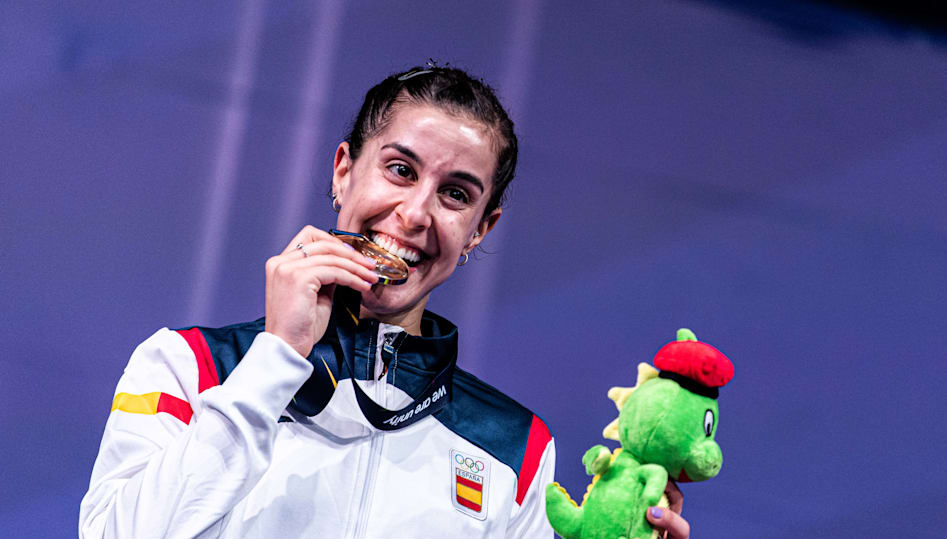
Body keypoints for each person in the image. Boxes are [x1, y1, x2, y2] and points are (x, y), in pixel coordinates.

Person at [79, 65, 689, 538]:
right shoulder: (189, 368)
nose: (416, 213)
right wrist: (276, 360)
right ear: (344, 169)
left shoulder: (515, 447)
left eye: (454, 194)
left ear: (481, 229)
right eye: (400, 170)